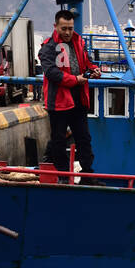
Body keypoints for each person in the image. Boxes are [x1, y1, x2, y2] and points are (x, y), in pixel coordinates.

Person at [39, 10, 100, 175]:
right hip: (59, 102)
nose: (67, 32)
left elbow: (87, 62)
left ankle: (87, 173)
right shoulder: (48, 47)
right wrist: (76, 80)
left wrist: (94, 69)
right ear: (55, 26)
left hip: (78, 100)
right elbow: (52, 73)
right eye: (64, 28)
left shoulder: (79, 43)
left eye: (70, 28)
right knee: (58, 140)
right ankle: (64, 175)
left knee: (84, 139)